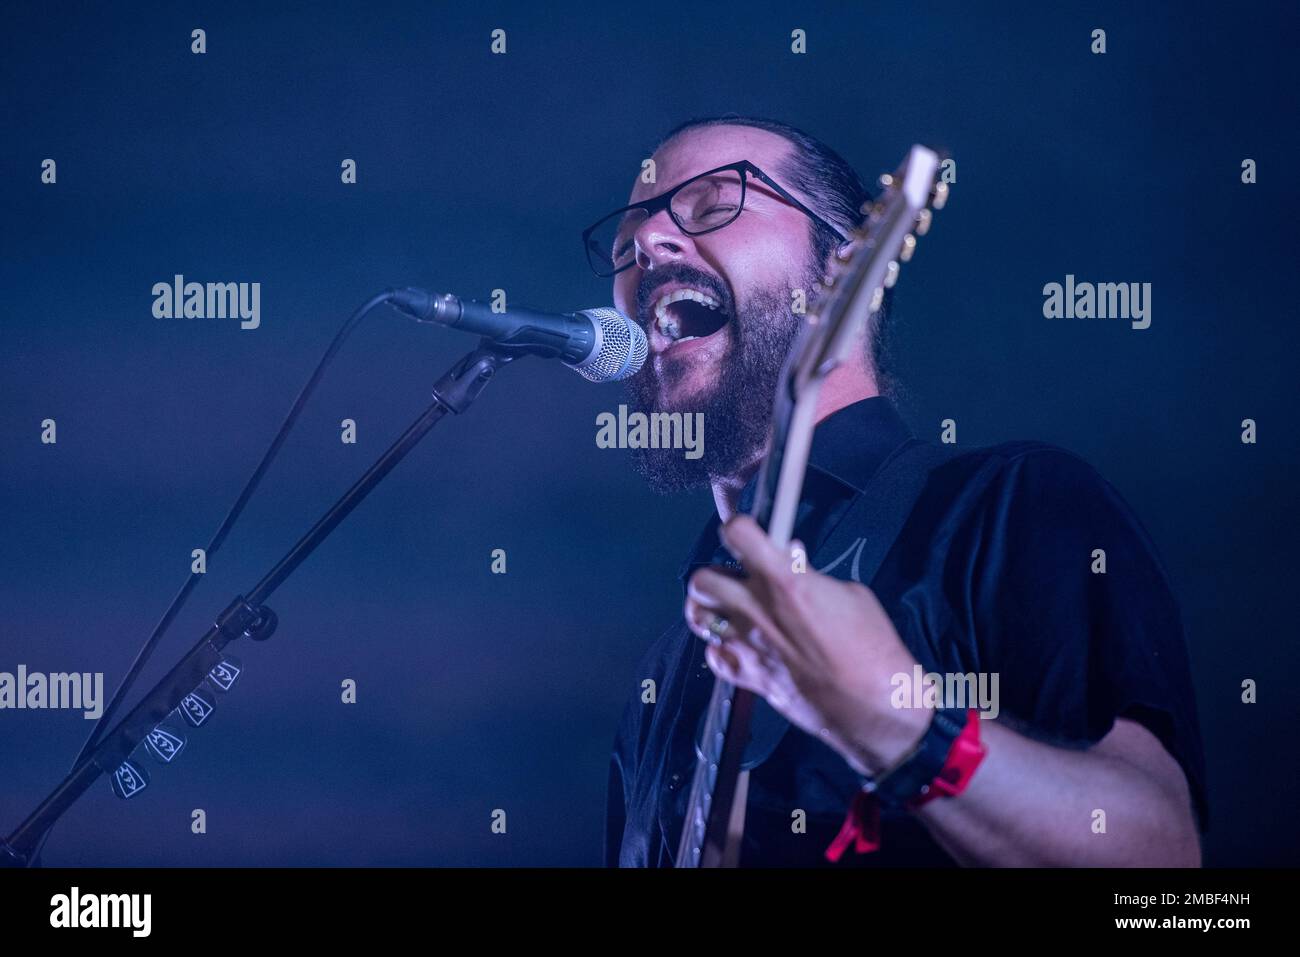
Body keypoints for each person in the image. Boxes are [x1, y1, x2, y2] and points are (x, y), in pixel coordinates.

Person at [595, 115, 1207, 867]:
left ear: (842, 264)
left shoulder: (1013, 508)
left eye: (711, 204)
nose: (650, 244)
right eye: (625, 247)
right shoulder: (672, 666)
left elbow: (1161, 859)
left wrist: (901, 726)